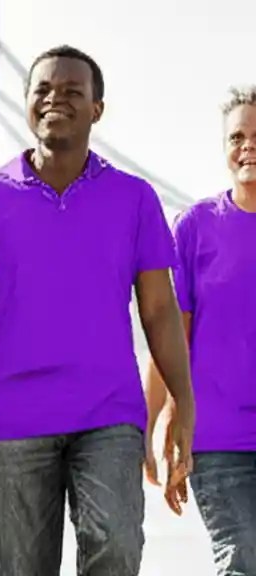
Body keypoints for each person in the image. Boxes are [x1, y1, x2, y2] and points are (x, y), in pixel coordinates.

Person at [0, 44, 196, 576]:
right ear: (28, 103)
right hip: (12, 420)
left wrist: (182, 402)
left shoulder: (135, 198)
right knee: (25, 568)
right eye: (43, 90)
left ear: (97, 109)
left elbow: (160, 310)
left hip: (108, 413)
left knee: (117, 545)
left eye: (73, 91)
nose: (56, 98)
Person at [145, 87, 256, 575]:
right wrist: (152, 424)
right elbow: (169, 335)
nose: (247, 146)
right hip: (220, 437)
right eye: (237, 136)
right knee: (242, 561)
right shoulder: (195, 228)